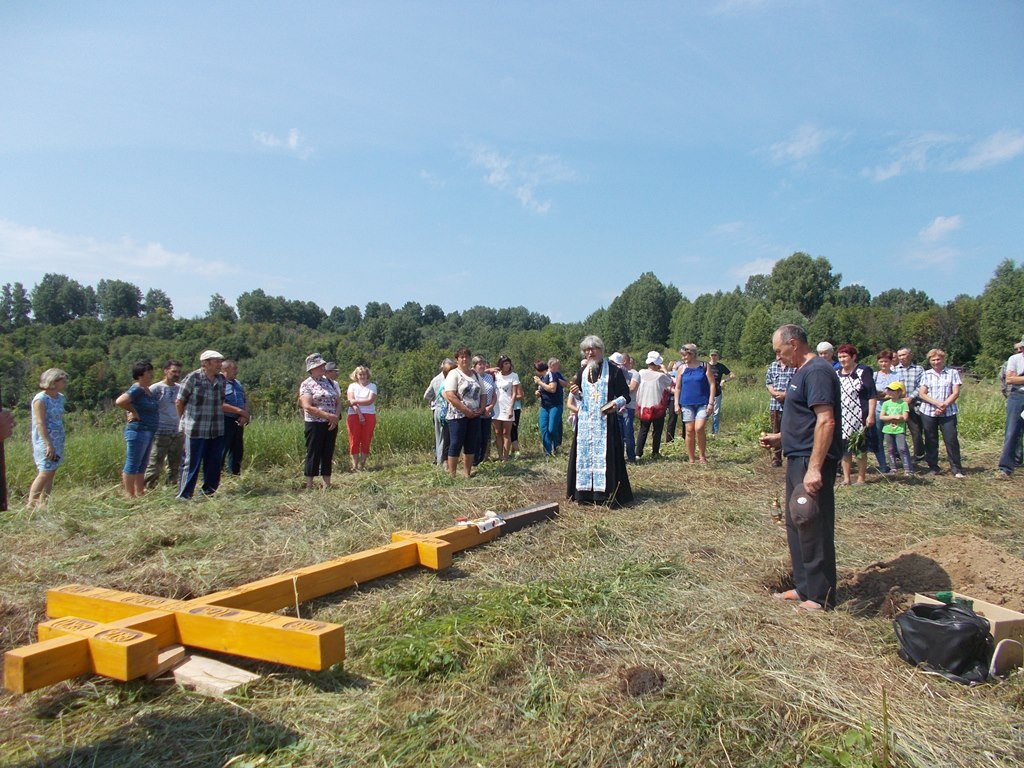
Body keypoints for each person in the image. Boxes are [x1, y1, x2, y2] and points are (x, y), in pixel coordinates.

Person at [759, 324, 842, 612]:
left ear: (794, 344)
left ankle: (820, 597)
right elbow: (806, 421)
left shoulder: (817, 371)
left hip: (811, 460)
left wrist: (816, 468)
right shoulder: (800, 372)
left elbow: (826, 421)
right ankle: (804, 587)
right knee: (796, 522)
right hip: (797, 458)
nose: (778, 358)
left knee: (812, 522)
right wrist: (781, 438)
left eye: (779, 351)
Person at [566, 335, 633, 506]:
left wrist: (615, 404)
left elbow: (626, 395)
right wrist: (576, 392)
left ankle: (605, 494)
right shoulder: (583, 372)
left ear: (601, 350)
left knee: (607, 457)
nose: (590, 352)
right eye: (587, 350)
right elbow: (584, 397)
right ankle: (584, 493)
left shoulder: (614, 370)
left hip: (605, 422)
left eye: (593, 348)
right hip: (586, 423)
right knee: (584, 457)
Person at [176, 350, 227, 499]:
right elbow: (179, 401)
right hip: (196, 429)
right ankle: (184, 495)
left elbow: (221, 401)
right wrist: (185, 421)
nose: (220, 364)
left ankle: (208, 492)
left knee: (214, 461)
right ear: (205, 363)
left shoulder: (221, 380)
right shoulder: (193, 378)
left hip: (216, 428)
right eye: (216, 361)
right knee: (191, 463)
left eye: (220, 361)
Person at [917, 348, 965, 478]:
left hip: (948, 411)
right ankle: (933, 467)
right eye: (933, 360)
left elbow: (955, 392)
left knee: (951, 439)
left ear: (943, 360)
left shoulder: (952, 373)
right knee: (931, 439)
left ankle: (956, 468)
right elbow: (922, 393)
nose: (936, 362)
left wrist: (944, 405)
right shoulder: (926, 374)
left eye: (938, 359)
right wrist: (937, 404)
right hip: (928, 411)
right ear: (930, 361)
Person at [115, 361, 159, 498]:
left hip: (148, 430)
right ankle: (129, 494)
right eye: (148, 372)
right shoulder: (137, 389)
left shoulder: (147, 390)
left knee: (143, 463)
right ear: (140, 375)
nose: (151, 375)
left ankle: (140, 491)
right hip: (138, 430)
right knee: (133, 462)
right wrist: (133, 412)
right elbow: (120, 401)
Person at [835, 344, 877, 486]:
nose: (842, 359)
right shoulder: (837, 373)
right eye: (840, 357)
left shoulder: (863, 371)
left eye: (845, 356)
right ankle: (846, 479)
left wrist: (871, 415)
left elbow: (872, 395)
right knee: (845, 449)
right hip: (843, 417)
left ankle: (861, 478)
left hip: (860, 416)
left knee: (860, 449)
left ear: (853, 357)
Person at [299, 353, 340, 489]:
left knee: (327, 452)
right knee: (313, 452)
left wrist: (335, 418)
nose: (323, 368)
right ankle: (309, 485)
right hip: (314, 424)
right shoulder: (307, 384)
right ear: (312, 368)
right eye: (319, 366)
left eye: (323, 365)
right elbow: (307, 406)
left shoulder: (331, 383)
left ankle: (326, 485)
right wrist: (328, 416)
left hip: (330, 423)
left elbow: (338, 401)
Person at [28, 368, 68, 508]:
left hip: (58, 438)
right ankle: (31, 504)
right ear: (53, 381)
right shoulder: (40, 399)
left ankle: (44, 503)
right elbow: (40, 422)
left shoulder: (60, 397)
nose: (65, 383)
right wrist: (48, 444)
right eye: (62, 380)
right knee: (45, 471)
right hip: (45, 439)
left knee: (52, 470)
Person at [443, 347, 485, 479]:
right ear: (457, 359)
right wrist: (465, 410)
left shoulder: (475, 375)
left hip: (474, 415)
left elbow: (483, 393)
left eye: (466, 356)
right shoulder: (453, 374)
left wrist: (482, 408)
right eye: (461, 357)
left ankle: (467, 473)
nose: (464, 359)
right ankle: (452, 475)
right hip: (457, 415)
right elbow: (450, 394)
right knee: (456, 443)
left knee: (471, 443)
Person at [145, 360, 184, 489]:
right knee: (155, 463)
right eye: (173, 371)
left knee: (175, 464)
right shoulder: (156, 389)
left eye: (178, 372)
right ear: (166, 371)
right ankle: (148, 488)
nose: (176, 374)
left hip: (177, 431)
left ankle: (170, 488)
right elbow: (143, 404)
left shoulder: (181, 388)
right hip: (160, 431)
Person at [675, 344, 716, 465]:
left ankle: (702, 455)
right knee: (689, 430)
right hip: (686, 403)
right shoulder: (681, 368)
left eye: (685, 355)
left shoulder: (704, 366)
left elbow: (712, 384)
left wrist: (711, 403)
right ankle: (691, 458)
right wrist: (676, 404)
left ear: (692, 354)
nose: (683, 358)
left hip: (702, 402)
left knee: (699, 428)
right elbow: (677, 387)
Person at [635, 351, 673, 460]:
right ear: (657, 364)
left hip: (643, 406)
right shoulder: (660, 376)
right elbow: (671, 382)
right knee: (657, 430)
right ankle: (655, 452)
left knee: (643, 430)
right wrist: (665, 370)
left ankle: (638, 453)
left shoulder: (641, 373)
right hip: (657, 406)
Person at [997, 336, 1024, 480]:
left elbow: (1015, 378)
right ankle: (1006, 468)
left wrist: (1018, 378)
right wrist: (1016, 378)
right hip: (1018, 396)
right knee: (1012, 431)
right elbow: (1010, 379)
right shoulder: (1014, 359)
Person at [894, 347, 926, 462]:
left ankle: (919, 455)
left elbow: (921, 386)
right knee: (897, 431)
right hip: (897, 405)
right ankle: (898, 454)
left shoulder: (919, 369)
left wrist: (910, 398)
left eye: (904, 355)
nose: (902, 358)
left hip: (914, 405)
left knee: (916, 431)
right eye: (900, 356)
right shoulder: (894, 370)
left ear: (910, 355)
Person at [764, 351, 796, 467]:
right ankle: (776, 458)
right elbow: (768, 382)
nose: (779, 357)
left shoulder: (793, 367)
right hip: (775, 405)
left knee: (790, 430)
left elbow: (796, 385)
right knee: (775, 430)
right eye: (777, 354)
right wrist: (774, 393)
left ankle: (791, 456)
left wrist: (785, 395)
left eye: (781, 354)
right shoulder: (773, 366)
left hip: (790, 404)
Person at [872, 350, 900, 474]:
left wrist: (886, 395)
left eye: (886, 361)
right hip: (878, 410)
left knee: (893, 438)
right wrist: (886, 395)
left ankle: (894, 464)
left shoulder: (897, 376)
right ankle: (883, 465)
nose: (884, 364)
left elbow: (901, 392)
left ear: (891, 362)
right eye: (881, 361)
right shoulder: (874, 375)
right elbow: (872, 393)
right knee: (878, 438)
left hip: (893, 410)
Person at [221, 359, 249, 476]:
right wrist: (240, 411)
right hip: (225, 420)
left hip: (238, 421)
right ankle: (216, 476)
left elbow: (244, 400)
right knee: (222, 449)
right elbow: (219, 404)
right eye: (234, 368)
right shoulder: (219, 384)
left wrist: (244, 415)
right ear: (225, 369)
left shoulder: (237, 383)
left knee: (237, 450)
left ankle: (235, 475)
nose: (236, 371)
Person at [346, 365, 377, 471]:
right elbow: (350, 401)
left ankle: (362, 465)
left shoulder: (372, 386)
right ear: (356, 375)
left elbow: (369, 401)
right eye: (360, 374)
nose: (362, 376)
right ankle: (354, 466)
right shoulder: (352, 386)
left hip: (369, 414)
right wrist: (359, 414)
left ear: (367, 375)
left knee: (366, 439)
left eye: (364, 374)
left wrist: (355, 401)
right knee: (354, 440)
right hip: (354, 414)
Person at [879, 381, 914, 475]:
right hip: (887, 429)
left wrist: (899, 418)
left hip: (899, 430)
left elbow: (905, 417)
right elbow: (882, 417)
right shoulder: (886, 404)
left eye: (892, 390)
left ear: (899, 392)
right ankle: (893, 468)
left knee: (902, 448)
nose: (889, 392)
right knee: (890, 449)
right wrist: (894, 417)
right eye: (889, 390)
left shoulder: (903, 404)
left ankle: (908, 469)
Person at [491, 355, 522, 461]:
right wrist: (490, 369)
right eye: (505, 363)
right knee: (497, 432)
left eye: (508, 363)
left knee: (506, 432)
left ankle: (505, 456)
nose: (507, 365)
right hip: (496, 406)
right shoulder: (495, 375)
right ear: (501, 364)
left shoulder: (514, 376)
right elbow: (477, 371)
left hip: (507, 405)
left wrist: (510, 407)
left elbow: (514, 394)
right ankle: (500, 455)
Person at [535, 358, 566, 457]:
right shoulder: (543, 378)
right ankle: (547, 453)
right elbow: (544, 389)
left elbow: (552, 389)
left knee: (552, 428)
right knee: (544, 428)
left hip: (555, 405)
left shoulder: (551, 375)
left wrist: (539, 383)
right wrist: (538, 392)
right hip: (545, 406)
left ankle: (557, 447)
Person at [424, 360, 454, 465]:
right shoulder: (450, 379)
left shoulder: (435, 379)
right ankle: (443, 461)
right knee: (446, 437)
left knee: (439, 436)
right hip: (447, 410)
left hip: (437, 409)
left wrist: (434, 399)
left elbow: (426, 395)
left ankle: (439, 459)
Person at [473, 355, 495, 466]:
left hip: (488, 409)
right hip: (476, 410)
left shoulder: (489, 377)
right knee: (477, 436)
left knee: (485, 437)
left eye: (483, 364)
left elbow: (494, 394)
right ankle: (474, 461)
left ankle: (482, 459)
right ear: (475, 366)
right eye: (479, 364)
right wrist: (481, 408)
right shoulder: (472, 377)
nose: (482, 366)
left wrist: (490, 406)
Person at [708, 349, 735, 437]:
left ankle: (714, 433)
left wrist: (724, 381)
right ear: (709, 356)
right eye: (712, 355)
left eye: (715, 355)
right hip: (706, 393)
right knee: (705, 412)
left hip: (717, 392)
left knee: (716, 413)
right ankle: (701, 431)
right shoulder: (706, 366)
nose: (713, 357)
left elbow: (733, 375)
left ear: (718, 356)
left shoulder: (721, 366)